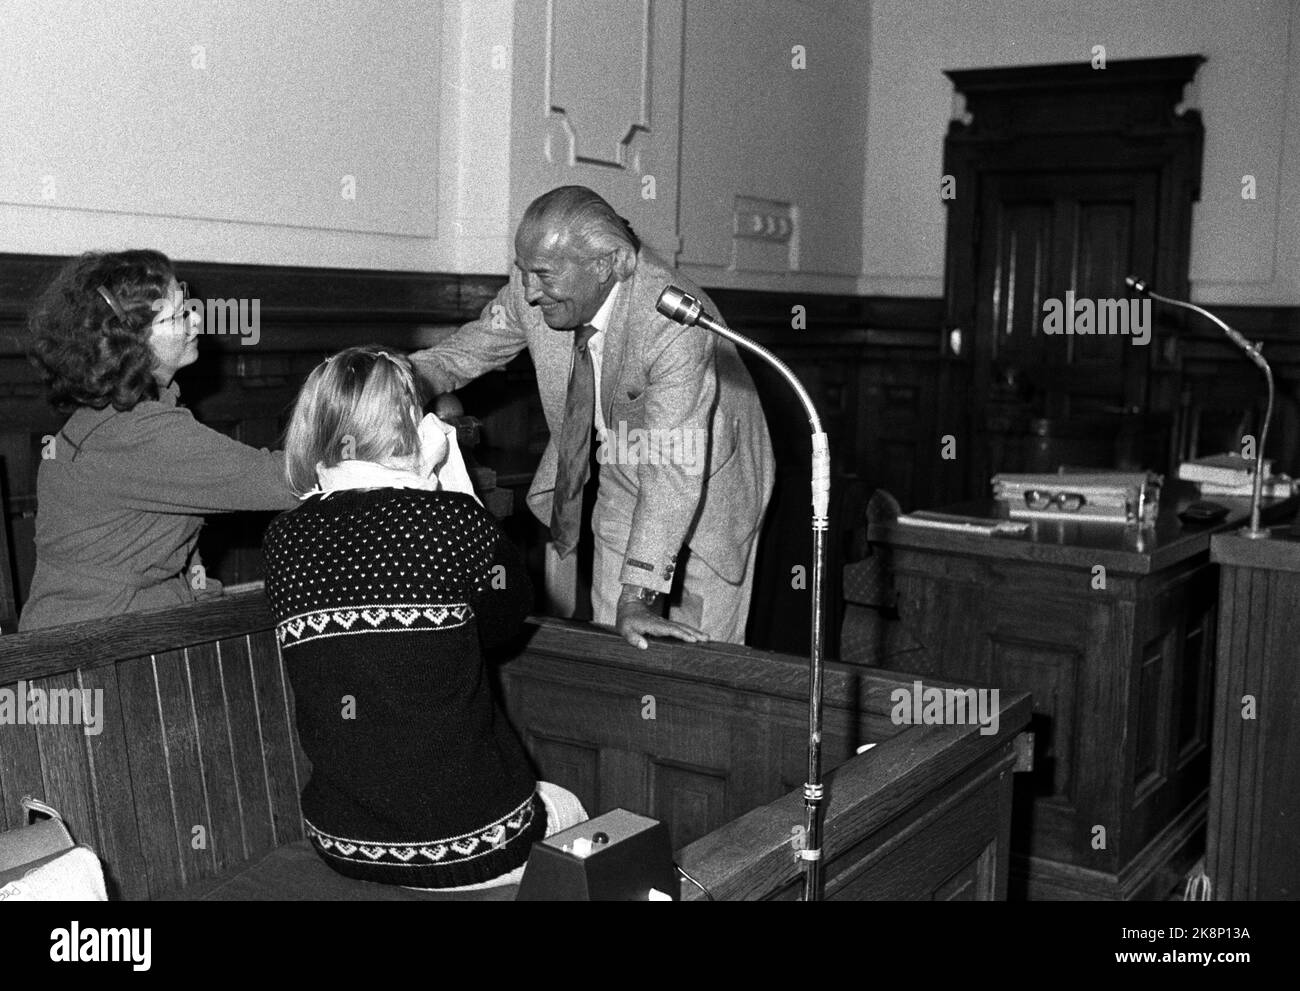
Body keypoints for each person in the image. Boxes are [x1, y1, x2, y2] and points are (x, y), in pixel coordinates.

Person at [262, 346, 586, 890]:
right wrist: (445, 477)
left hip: (341, 839)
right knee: (567, 806)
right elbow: (505, 619)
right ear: (413, 426)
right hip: (471, 845)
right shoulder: (449, 520)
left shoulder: (284, 538)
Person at [410, 186, 775, 648]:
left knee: (700, 653)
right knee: (616, 639)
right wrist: (398, 381)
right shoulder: (537, 289)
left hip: (710, 478)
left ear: (605, 265)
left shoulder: (670, 316)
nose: (528, 291)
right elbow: (468, 350)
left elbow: (671, 467)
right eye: (523, 272)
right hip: (624, 462)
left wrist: (639, 595)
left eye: (542, 275)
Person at [19, 250, 297, 631]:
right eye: (179, 314)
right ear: (131, 344)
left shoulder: (111, 415)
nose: (198, 318)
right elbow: (284, 481)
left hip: (101, 633)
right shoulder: (139, 431)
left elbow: (172, 540)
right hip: (94, 649)